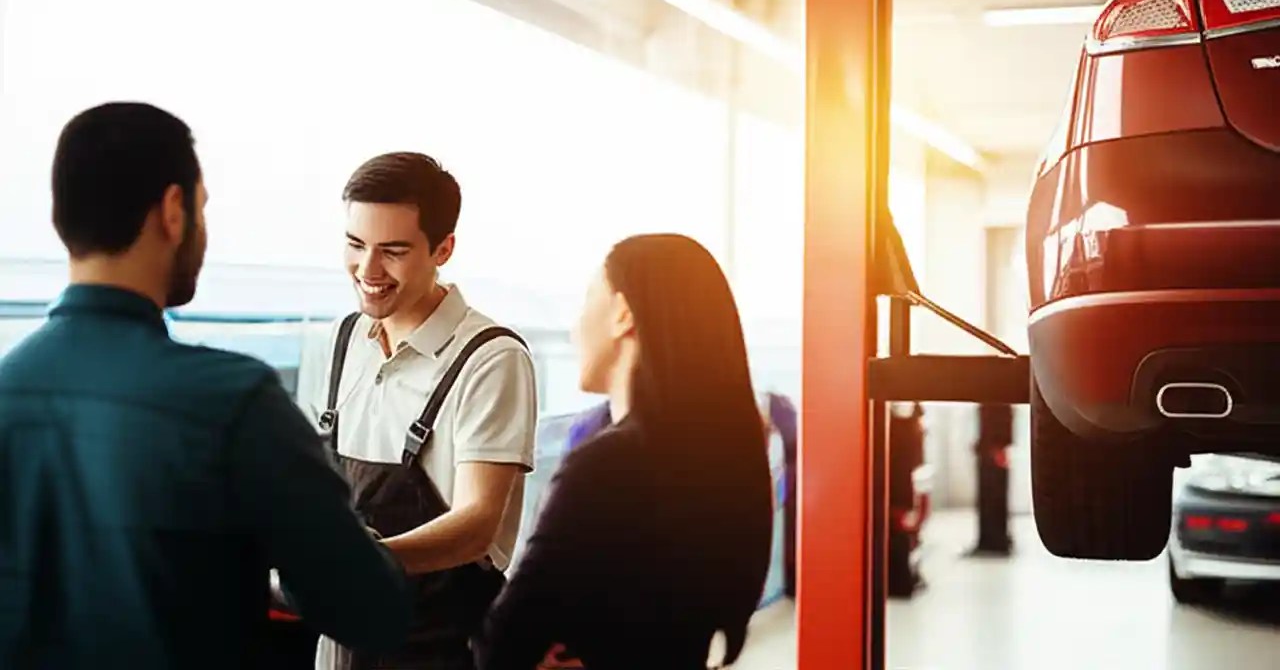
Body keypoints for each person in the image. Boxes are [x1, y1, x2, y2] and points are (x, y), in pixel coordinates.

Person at [0, 102, 412, 669]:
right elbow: (371, 609)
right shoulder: (233, 403)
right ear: (173, 211)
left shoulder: (8, 390)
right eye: (202, 209)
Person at [474, 233, 775, 670]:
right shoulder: (725, 460)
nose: (575, 329)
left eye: (587, 302)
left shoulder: (606, 467)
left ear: (622, 315)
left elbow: (502, 647)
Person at [299, 152, 538, 670]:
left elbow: (477, 524)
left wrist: (366, 561)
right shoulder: (339, 342)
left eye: (393, 251)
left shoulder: (490, 358)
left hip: (441, 652)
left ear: (443, 248)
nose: (368, 270)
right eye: (355, 244)